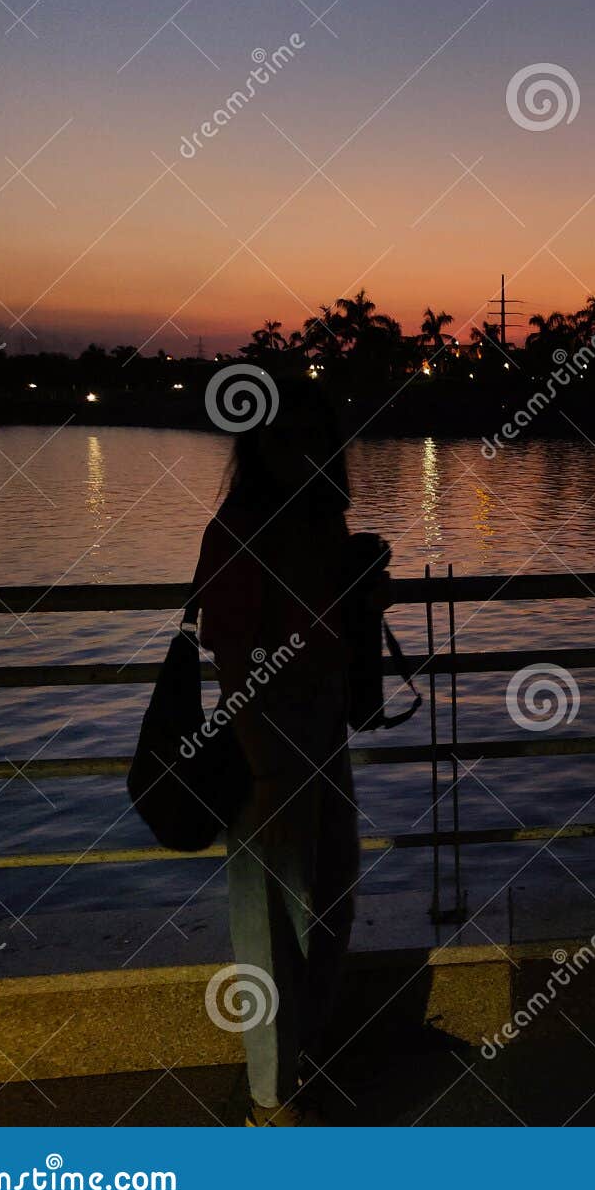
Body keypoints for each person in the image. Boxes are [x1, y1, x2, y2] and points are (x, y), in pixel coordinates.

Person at [195, 379, 359, 1126]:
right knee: (268, 917)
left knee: (329, 898)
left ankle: (304, 1060)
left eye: (316, 436)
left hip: (323, 729)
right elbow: (231, 654)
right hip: (263, 733)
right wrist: (262, 769)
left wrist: (362, 587)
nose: (303, 450)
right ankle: (270, 1099)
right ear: (256, 444)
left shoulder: (322, 520)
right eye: (284, 435)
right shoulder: (241, 526)